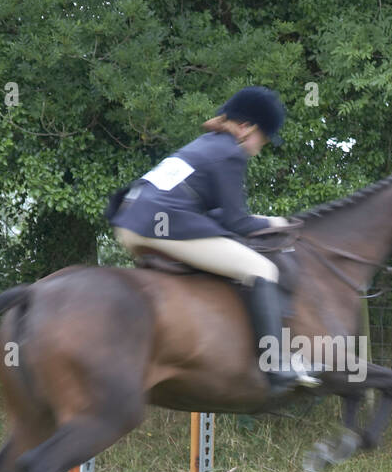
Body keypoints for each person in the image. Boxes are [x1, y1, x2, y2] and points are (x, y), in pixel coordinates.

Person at [108, 86, 318, 395]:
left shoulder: (208, 144)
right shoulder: (230, 153)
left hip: (131, 219)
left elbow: (217, 214)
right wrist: (278, 222)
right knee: (262, 270)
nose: (262, 146)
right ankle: (276, 367)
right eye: (264, 137)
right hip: (160, 223)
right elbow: (237, 222)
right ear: (246, 127)